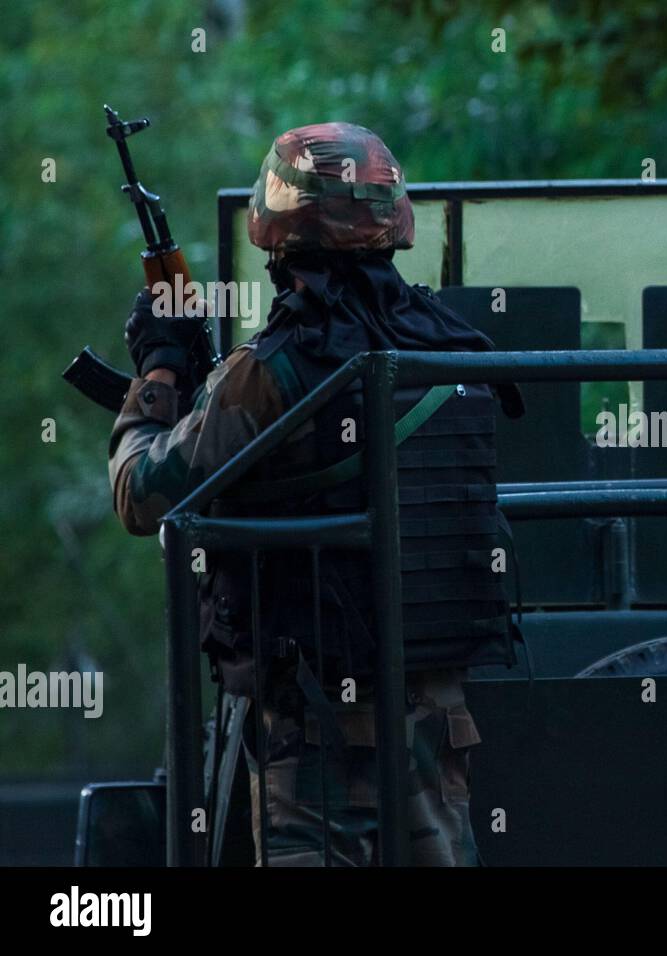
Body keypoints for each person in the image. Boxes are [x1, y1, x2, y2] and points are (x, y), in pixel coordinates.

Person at [108, 122, 518, 865]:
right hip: (435, 714)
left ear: (277, 227)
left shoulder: (275, 368)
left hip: (318, 727)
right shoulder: (454, 344)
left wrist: (160, 375)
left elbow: (144, 494)